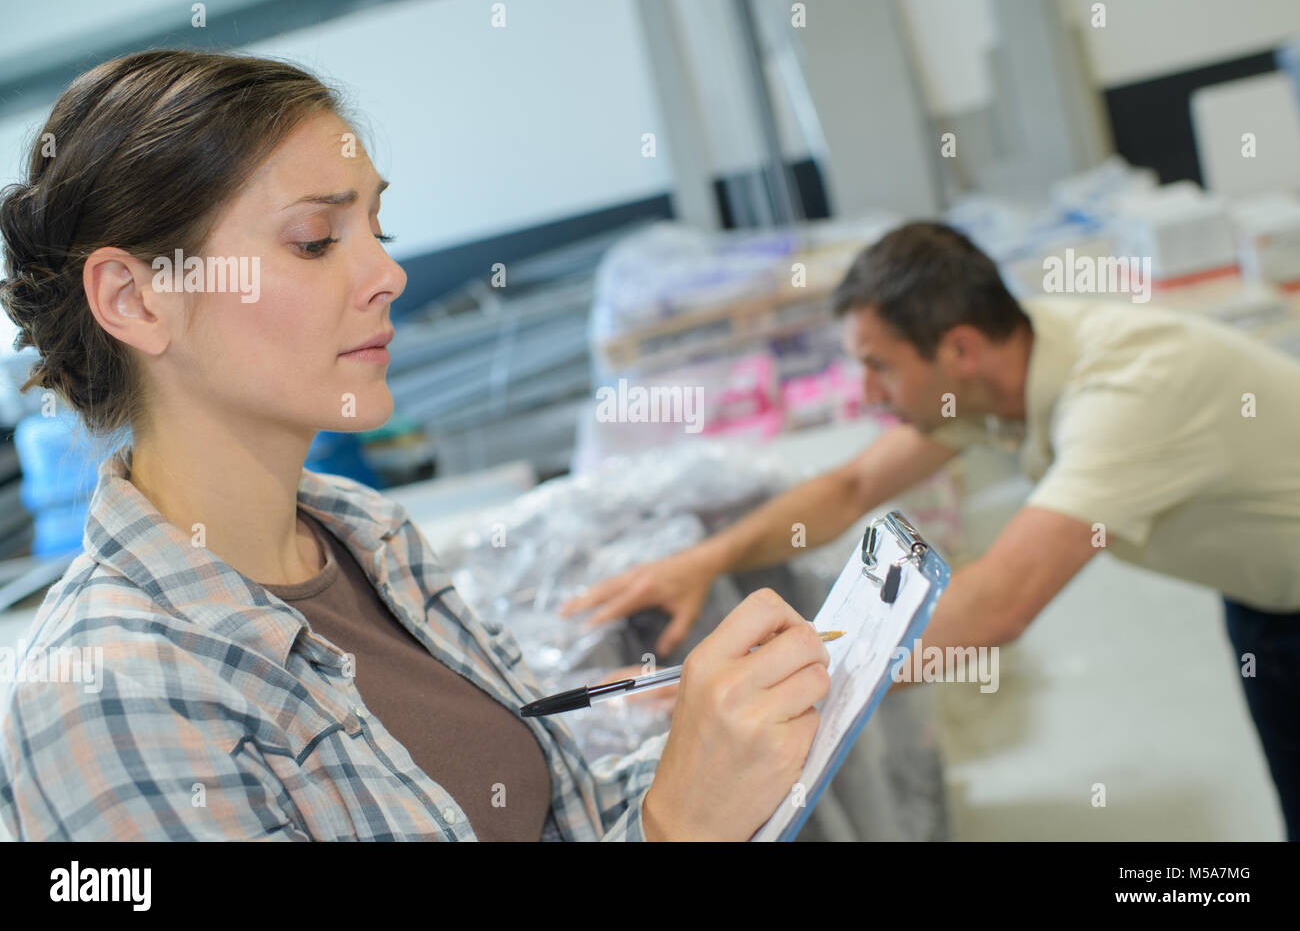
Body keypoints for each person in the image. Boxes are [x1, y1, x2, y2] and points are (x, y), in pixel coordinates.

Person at [0, 49, 831, 841]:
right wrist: (678, 825)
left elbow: (559, 818)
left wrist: (713, 743)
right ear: (134, 300)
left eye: (378, 229)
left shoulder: (367, 536)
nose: (386, 274)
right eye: (315, 240)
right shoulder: (104, 699)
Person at [563, 221, 1300, 841]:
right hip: (1264, 589)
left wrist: (768, 690)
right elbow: (849, 487)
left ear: (958, 349)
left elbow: (994, 605)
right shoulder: (1005, 365)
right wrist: (703, 560)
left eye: (879, 366)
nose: (868, 394)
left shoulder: (1128, 397)